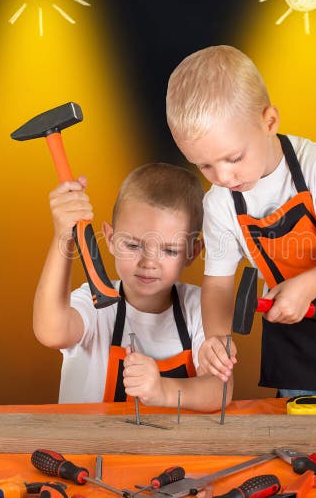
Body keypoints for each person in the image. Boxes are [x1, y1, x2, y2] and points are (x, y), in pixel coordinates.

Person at [165, 45, 316, 398]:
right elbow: (218, 284)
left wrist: (304, 289)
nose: (224, 176)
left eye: (233, 158)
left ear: (269, 121)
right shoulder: (219, 204)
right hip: (294, 335)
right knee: (297, 436)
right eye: (205, 166)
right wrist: (215, 338)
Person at [33, 162, 230, 410]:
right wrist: (64, 234)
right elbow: (51, 332)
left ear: (192, 253)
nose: (148, 263)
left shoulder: (199, 308)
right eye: (133, 246)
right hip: (87, 448)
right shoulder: (96, 303)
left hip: (170, 449)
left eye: (169, 250)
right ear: (112, 239)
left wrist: (162, 391)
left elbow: (220, 389)